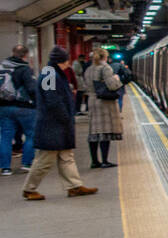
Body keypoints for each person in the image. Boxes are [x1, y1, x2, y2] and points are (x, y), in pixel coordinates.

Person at [22, 45, 96, 200]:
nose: (69, 63)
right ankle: (29, 189)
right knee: (45, 159)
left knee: (66, 156)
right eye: (67, 60)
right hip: (52, 124)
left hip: (59, 124)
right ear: (61, 61)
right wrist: (65, 117)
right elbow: (52, 100)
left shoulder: (55, 73)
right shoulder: (49, 74)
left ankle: (74, 186)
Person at [0, 44, 37, 175]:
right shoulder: (24, 68)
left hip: (4, 107)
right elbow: (31, 88)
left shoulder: (3, 66)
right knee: (30, 135)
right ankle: (26, 163)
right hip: (24, 108)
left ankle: (5, 168)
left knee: (5, 137)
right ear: (26, 55)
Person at [84, 48, 124, 168]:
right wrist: (117, 79)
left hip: (92, 101)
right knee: (105, 131)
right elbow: (112, 86)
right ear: (105, 57)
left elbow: (85, 84)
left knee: (94, 132)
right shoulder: (105, 68)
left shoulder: (89, 69)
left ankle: (95, 161)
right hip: (104, 102)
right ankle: (105, 160)